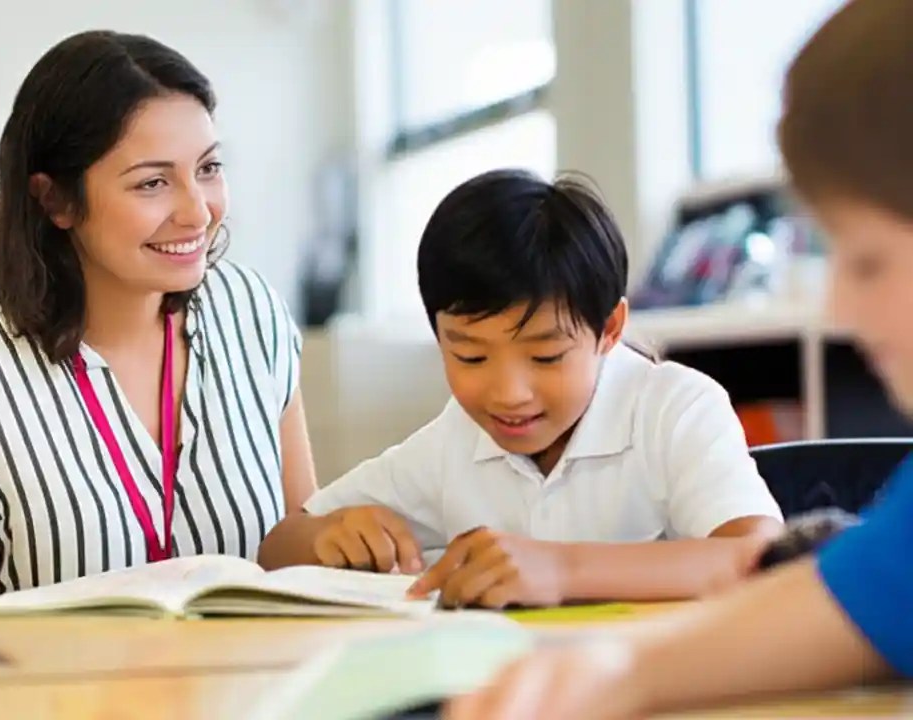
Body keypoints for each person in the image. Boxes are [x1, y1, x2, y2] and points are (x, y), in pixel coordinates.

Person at [447, 1, 913, 716]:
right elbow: (850, 604)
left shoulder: (674, 402)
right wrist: (611, 673)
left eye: (869, 262)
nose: (839, 308)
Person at [0, 31, 316, 608]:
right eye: (152, 183)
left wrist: (350, 539)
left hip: (254, 671)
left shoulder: (250, 314)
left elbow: (297, 556)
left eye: (208, 168)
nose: (198, 211)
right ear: (55, 199)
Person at [259, 170, 782, 608]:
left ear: (609, 329)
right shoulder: (453, 443)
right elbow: (278, 546)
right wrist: (329, 536)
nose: (509, 393)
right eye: (470, 356)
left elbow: (756, 556)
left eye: (546, 356)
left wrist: (560, 569)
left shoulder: (675, 409)